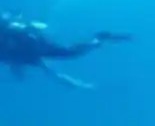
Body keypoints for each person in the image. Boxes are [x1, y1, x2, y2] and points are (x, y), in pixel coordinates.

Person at [0, 11, 131, 89]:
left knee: (68, 54)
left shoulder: (10, 44)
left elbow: (19, 56)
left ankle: (97, 40)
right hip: (33, 48)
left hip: (35, 48)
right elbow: (15, 59)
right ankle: (97, 41)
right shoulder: (8, 46)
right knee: (66, 56)